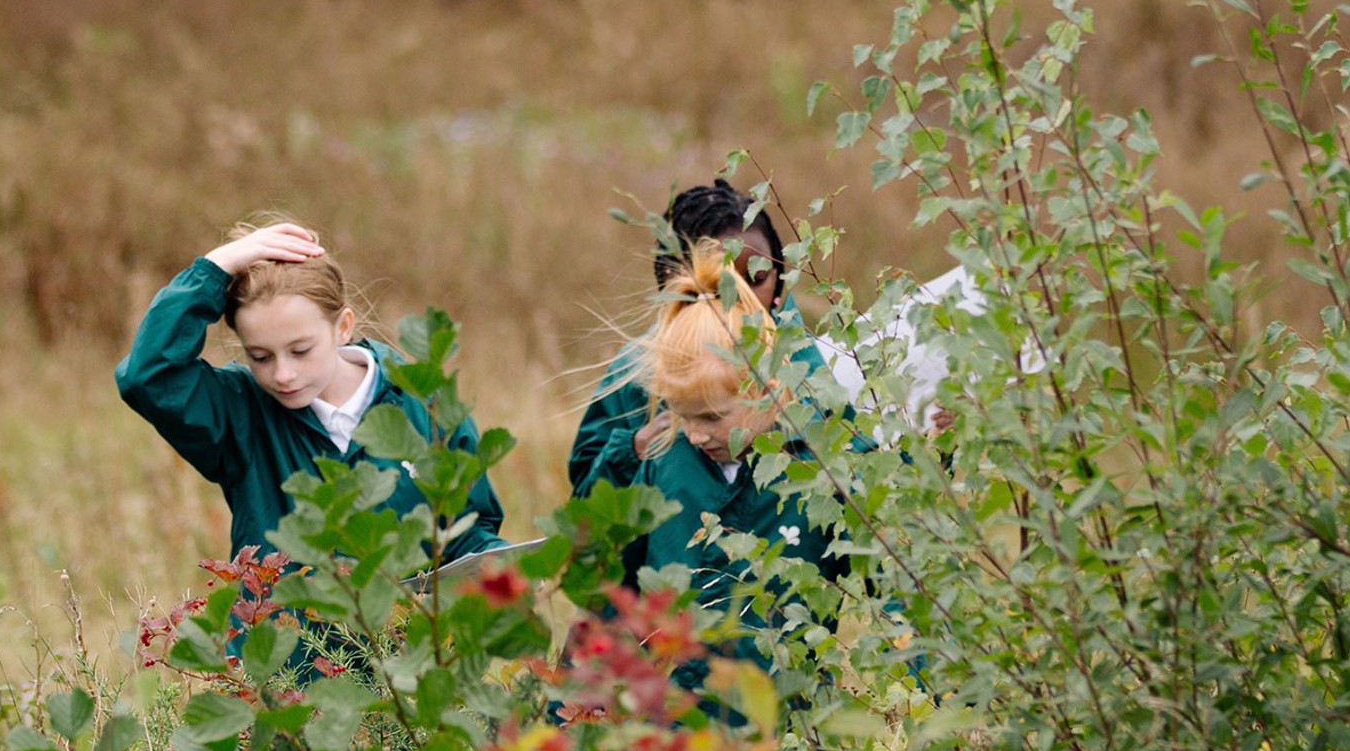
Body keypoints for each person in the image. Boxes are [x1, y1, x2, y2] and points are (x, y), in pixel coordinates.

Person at [116, 219, 505, 565]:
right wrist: (215, 268)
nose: (283, 375)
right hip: (282, 628)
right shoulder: (240, 415)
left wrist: (505, 568)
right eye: (260, 356)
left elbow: (467, 533)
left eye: (301, 351)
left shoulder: (427, 407)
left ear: (343, 327)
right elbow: (148, 377)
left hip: (405, 626)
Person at [586, 242, 841, 634]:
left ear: (765, 390)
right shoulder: (665, 466)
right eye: (682, 415)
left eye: (710, 416)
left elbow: (892, 576)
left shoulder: (817, 475)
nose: (695, 434)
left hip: (780, 675)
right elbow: (611, 585)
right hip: (671, 674)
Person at [567, 180, 816, 499]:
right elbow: (586, 500)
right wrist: (634, 450)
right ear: (674, 281)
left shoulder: (814, 362)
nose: (740, 298)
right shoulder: (640, 367)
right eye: (719, 284)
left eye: (757, 279)